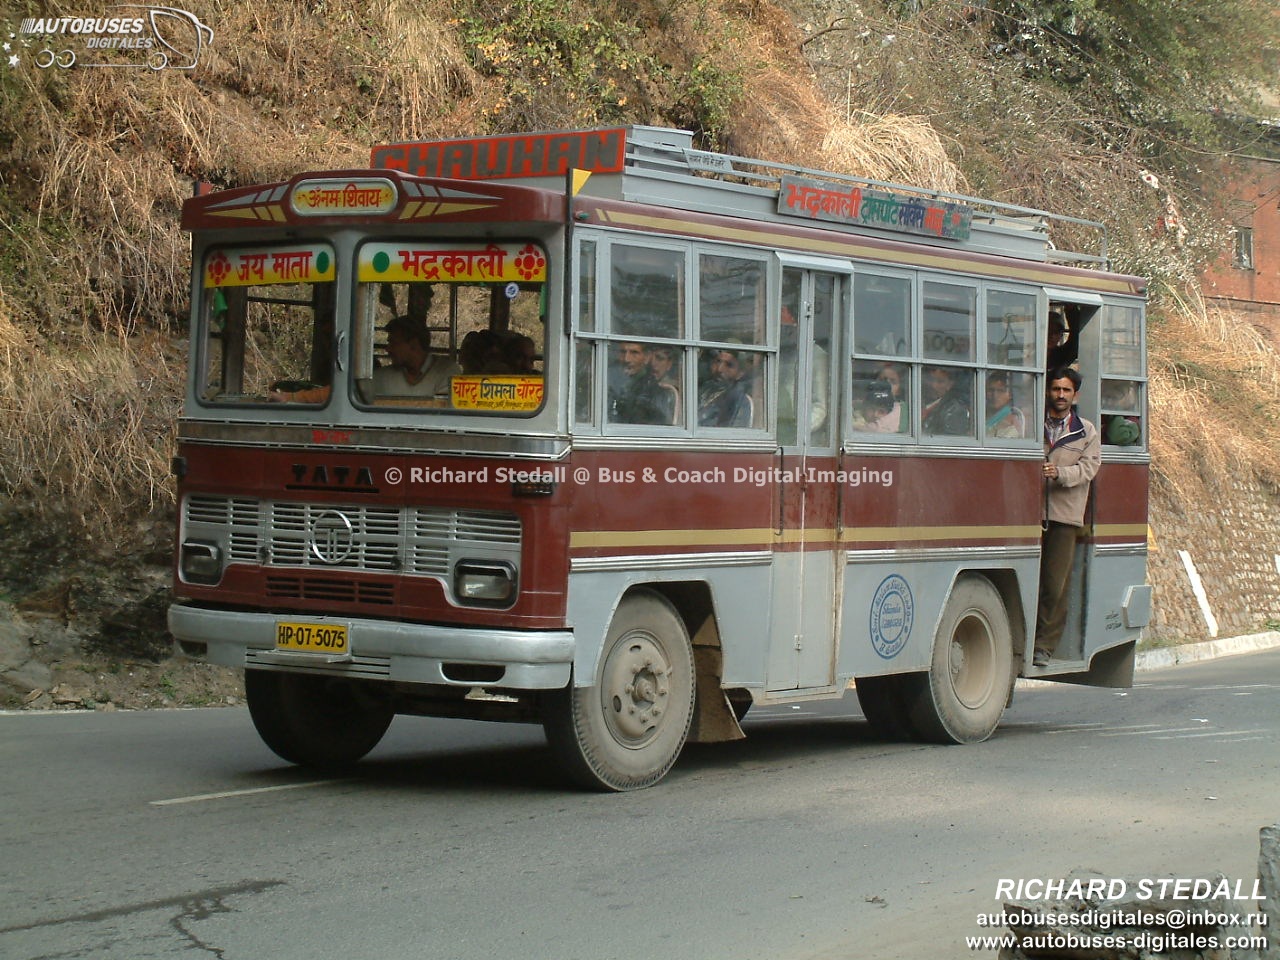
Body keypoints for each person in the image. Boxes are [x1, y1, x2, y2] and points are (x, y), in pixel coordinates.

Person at [1035, 366, 1101, 667]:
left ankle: (1044, 646)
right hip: (1030, 513)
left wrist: (1060, 473)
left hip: (1065, 517)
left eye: (1066, 390)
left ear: (1075, 395)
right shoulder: (1032, 424)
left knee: (1054, 585)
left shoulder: (1086, 431)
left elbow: (1089, 469)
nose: (1060, 395)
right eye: (1056, 389)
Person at [374, 315, 460, 397]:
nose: (388, 349)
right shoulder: (381, 377)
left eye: (393, 343)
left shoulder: (447, 373)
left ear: (413, 344)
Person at [610, 341, 674, 424]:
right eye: (623, 352)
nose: (627, 359)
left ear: (646, 357)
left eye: (634, 353)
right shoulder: (610, 378)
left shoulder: (652, 390)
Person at [697, 346, 754, 428]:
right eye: (718, 361)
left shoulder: (740, 401)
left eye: (729, 365)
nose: (720, 369)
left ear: (740, 373)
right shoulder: (701, 391)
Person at [921, 365, 971, 436]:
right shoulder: (934, 404)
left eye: (940, 381)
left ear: (951, 384)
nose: (934, 385)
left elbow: (951, 439)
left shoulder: (954, 409)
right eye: (932, 380)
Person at [985, 371, 1026, 439]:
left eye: (1000, 391)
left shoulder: (1013, 421)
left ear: (1009, 395)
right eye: (991, 390)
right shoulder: (979, 416)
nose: (995, 395)